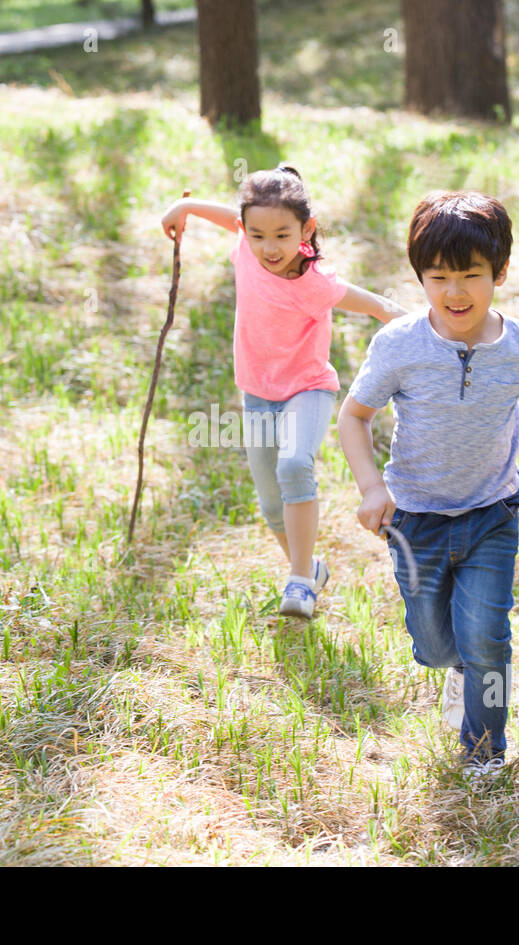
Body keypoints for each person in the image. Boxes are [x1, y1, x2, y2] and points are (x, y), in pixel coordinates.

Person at [339, 190, 519, 775]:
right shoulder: (400, 344)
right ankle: (457, 670)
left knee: (488, 639)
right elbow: (353, 416)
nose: (455, 293)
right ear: (421, 278)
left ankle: (484, 750)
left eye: (471, 276)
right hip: (415, 519)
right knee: (434, 643)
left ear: (499, 273)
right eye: (439, 277)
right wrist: (372, 488)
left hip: (491, 513)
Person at [160, 165, 407, 619]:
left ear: (305, 230)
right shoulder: (245, 247)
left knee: (294, 464)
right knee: (272, 504)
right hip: (256, 393)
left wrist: (407, 320)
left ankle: (298, 581)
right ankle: (309, 567)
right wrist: (186, 207)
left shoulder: (314, 281)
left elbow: (372, 303)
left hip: (307, 389)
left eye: (281, 235)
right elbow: (231, 220)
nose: (268, 247)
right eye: (257, 235)